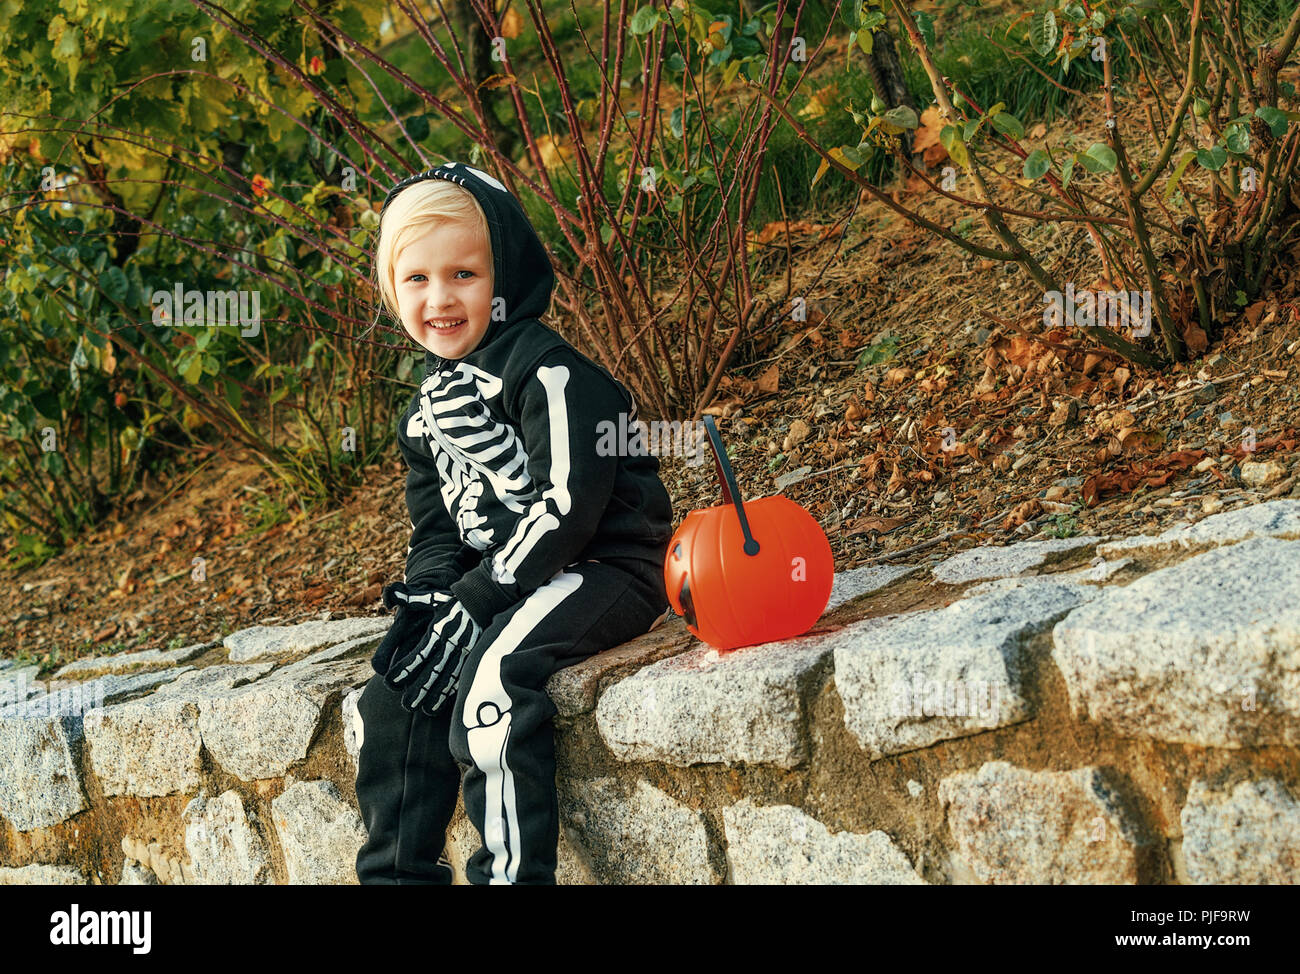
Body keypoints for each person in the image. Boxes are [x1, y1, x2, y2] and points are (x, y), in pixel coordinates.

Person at [354, 161, 674, 885]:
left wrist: (479, 598)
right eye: (417, 280)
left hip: (603, 565)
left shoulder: (551, 373)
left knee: (492, 685)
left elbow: (567, 508)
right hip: (502, 577)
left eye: (464, 274)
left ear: (506, 273)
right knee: (398, 685)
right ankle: (396, 876)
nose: (441, 298)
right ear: (391, 289)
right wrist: (434, 595)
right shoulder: (425, 410)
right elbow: (436, 529)